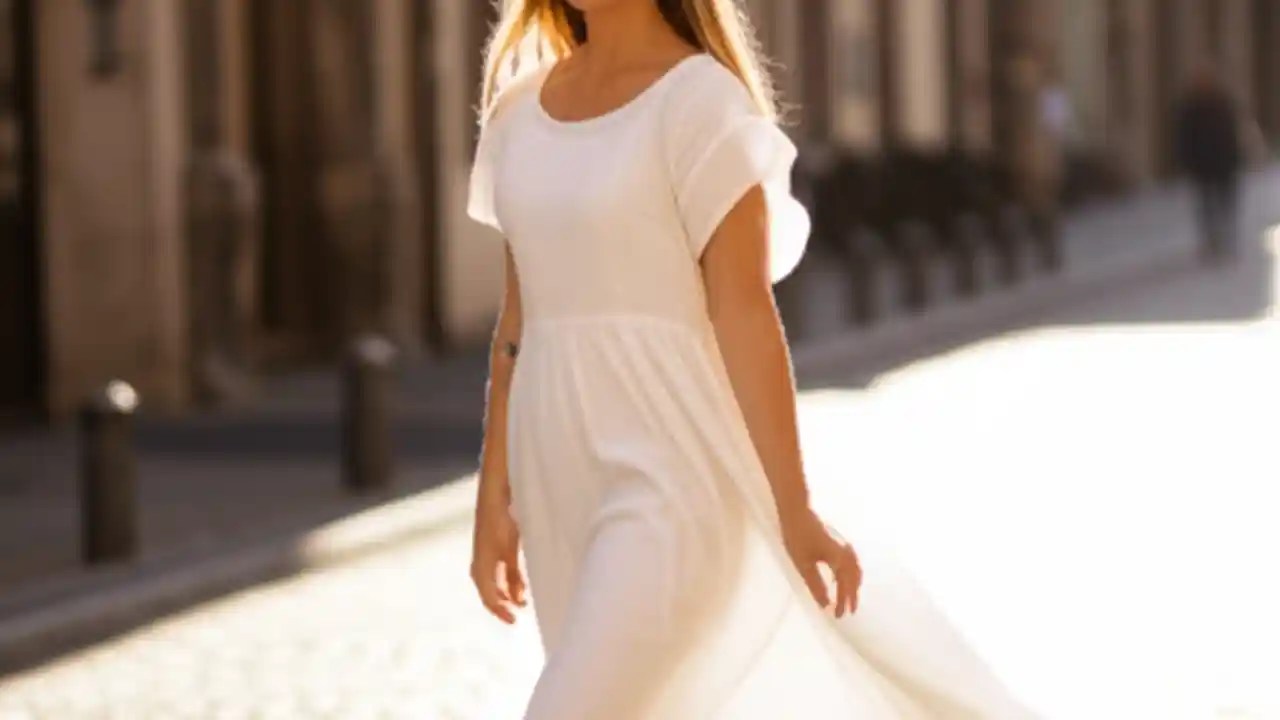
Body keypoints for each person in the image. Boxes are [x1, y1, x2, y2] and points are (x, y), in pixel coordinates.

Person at [465, 1, 1033, 717]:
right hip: (558, 475)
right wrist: (495, 496)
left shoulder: (701, 103)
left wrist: (793, 510)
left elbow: (744, 312)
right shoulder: (519, 110)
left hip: (672, 478)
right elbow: (517, 323)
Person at [1175, 63, 1244, 262]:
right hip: (1203, 163)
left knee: (1225, 202)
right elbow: (1184, 136)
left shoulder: (1222, 103)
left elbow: (1232, 132)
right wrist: (1187, 160)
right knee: (1206, 205)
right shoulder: (1191, 107)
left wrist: (1236, 155)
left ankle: (1225, 238)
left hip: (1224, 162)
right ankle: (1212, 240)